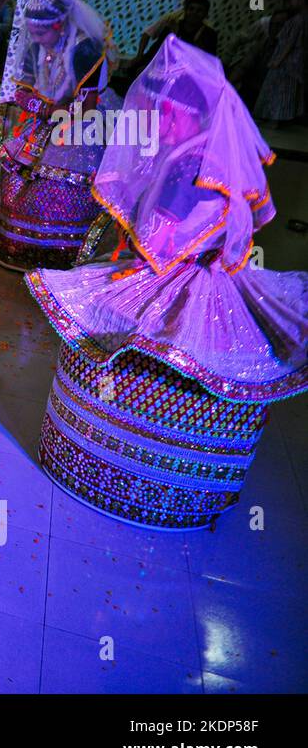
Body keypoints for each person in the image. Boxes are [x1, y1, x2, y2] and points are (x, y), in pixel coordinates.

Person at [26, 36, 308, 529]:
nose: (156, 119)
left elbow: (160, 243)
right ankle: (186, 488)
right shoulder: (214, 151)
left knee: (118, 334)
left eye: (166, 111)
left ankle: (111, 466)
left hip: (180, 276)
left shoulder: (187, 163)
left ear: (190, 115)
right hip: (209, 270)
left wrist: (123, 246)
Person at [0, 0, 118, 271]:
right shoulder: (37, 45)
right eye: (32, 31)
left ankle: (58, 255)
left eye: (40, 32)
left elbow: (86, 107)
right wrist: (39, 106)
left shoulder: (85, 51)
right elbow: (24, 90)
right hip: (47, 118)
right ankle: (20, 246)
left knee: (59, 184)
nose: (34, 37)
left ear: (59, 25)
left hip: (83, 121)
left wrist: (52, 111)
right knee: (17, 176)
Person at [128, 0, 219, 76]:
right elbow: (157, 48)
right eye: (191, 9)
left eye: (199, 11)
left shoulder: (209, 33)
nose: (194, 13)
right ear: (185, 10)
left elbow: (207, 61)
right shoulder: (173, 23)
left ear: (205, 14)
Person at [254, 0, 306, 125]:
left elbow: (290, 43)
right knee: (282, 92)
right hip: (289, 61)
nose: (291, 1)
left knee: (281, 92)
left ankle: (276, 119)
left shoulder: (298, 20)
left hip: (288, 63)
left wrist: (278, 60)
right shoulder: (298, 19)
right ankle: (273, 118)